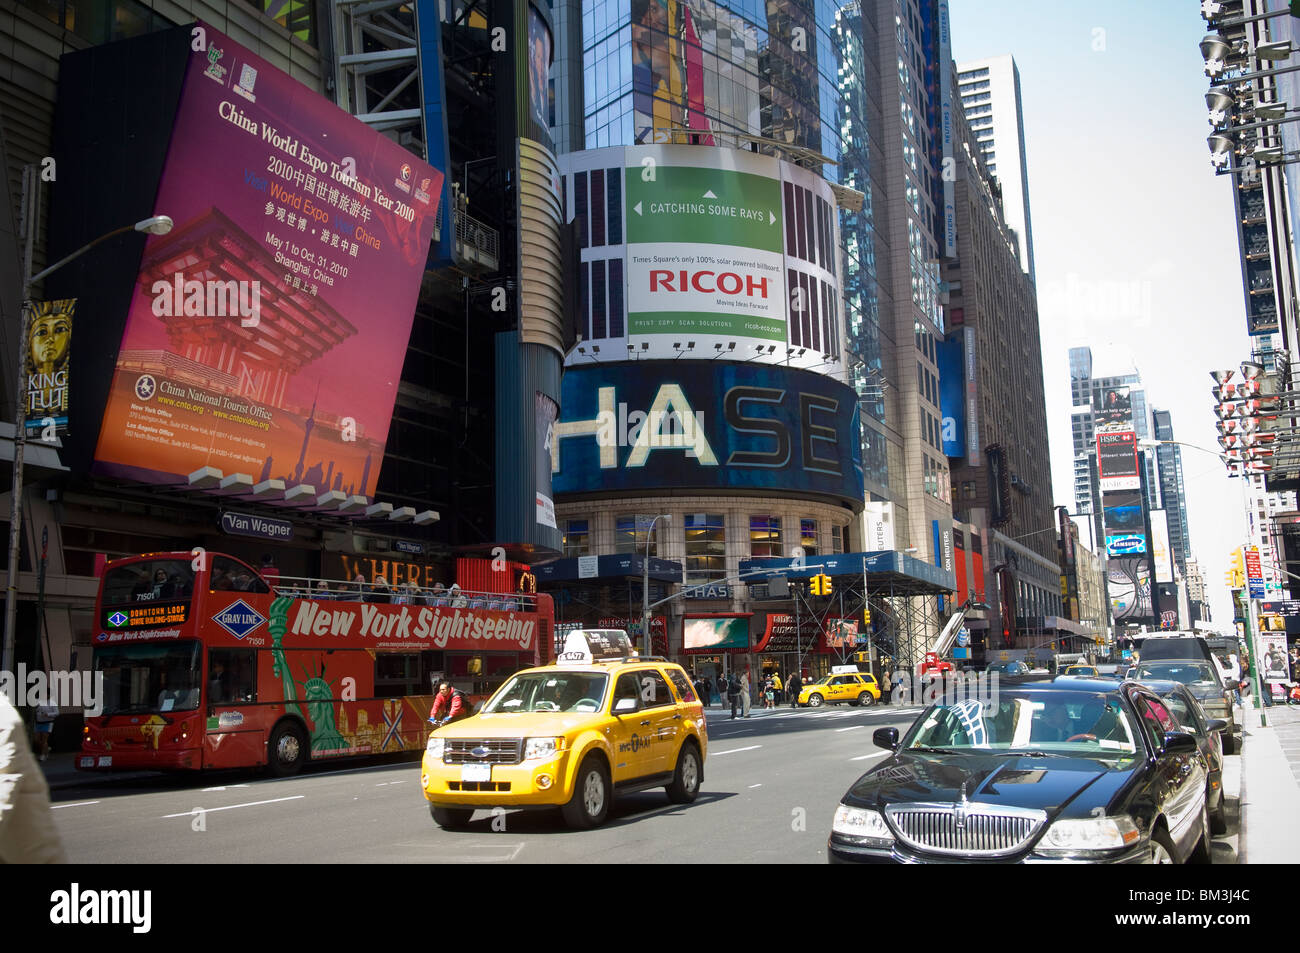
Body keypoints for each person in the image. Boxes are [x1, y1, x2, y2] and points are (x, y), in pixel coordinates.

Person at [0, 693, 67, 862]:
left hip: (32, 858)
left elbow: (5, 783)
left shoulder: (4, 717)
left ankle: (44, 753)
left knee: (42, 740)